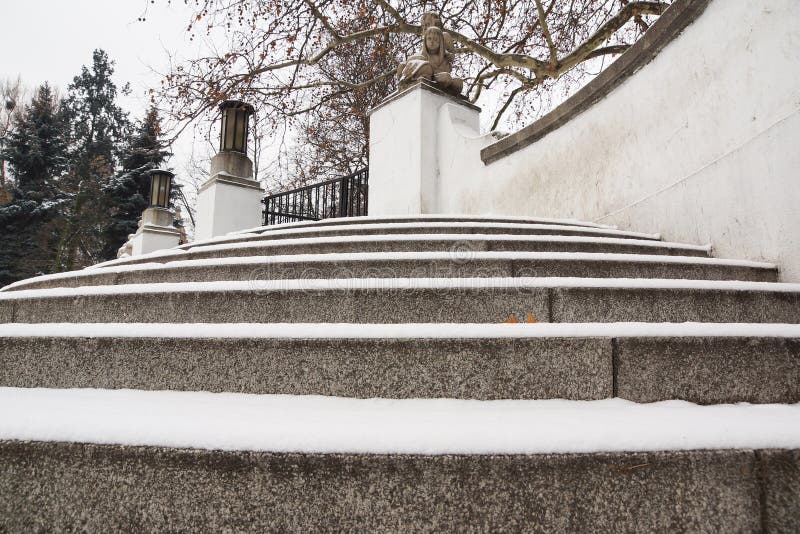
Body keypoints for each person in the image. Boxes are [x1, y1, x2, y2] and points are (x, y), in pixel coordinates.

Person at [398, 26, 464, 95]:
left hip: (438, 78)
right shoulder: (420, 56)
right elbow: (409, 63)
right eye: (429, 39)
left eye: (435, 39)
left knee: (457, 82)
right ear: (425, 41)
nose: (432, 42)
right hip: (427, 77)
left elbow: (445, 73)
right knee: (438, 74)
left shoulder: (444, 60)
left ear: (440, 42)